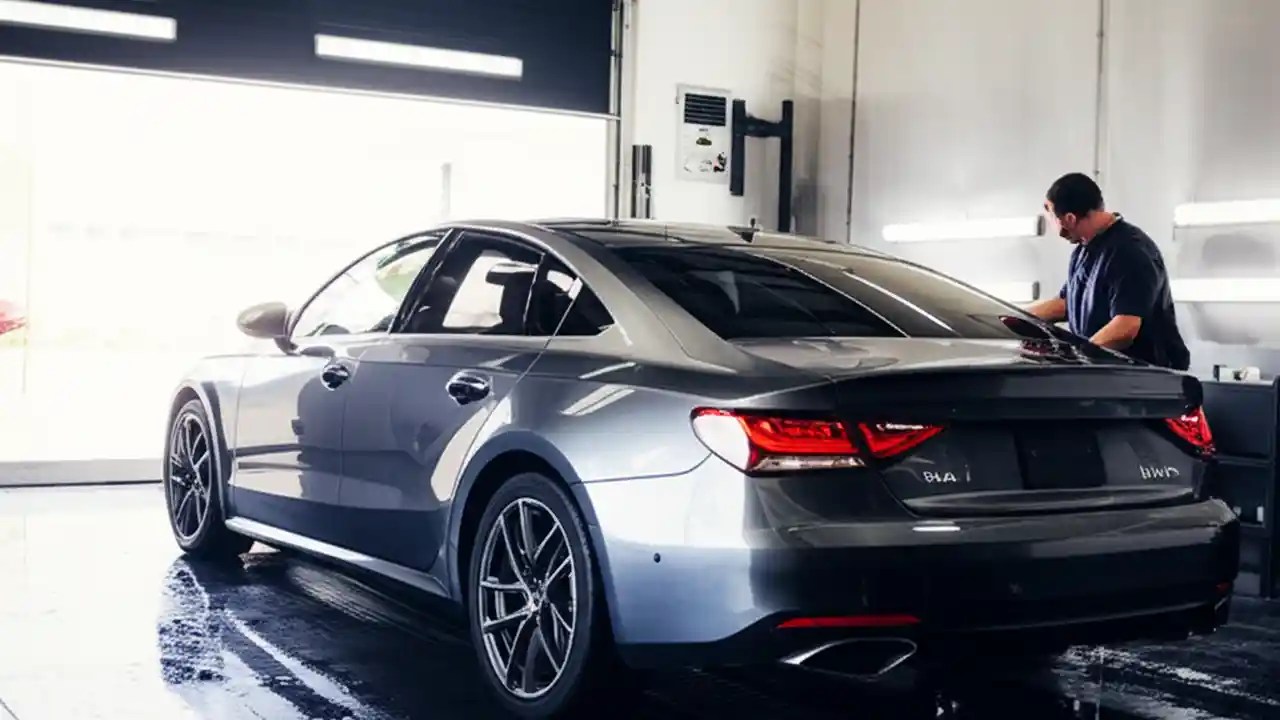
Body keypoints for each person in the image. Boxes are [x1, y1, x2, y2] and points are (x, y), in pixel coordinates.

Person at [1026, 172, 1190, 370]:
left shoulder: (1130, 251)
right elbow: (1068, 303)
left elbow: (1125, 328)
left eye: (1051, 215)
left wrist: (1076, 358)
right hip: (1107, 374)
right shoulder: (1085, 249)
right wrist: (1012, 317)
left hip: (1145, 380)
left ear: (1069, 218)